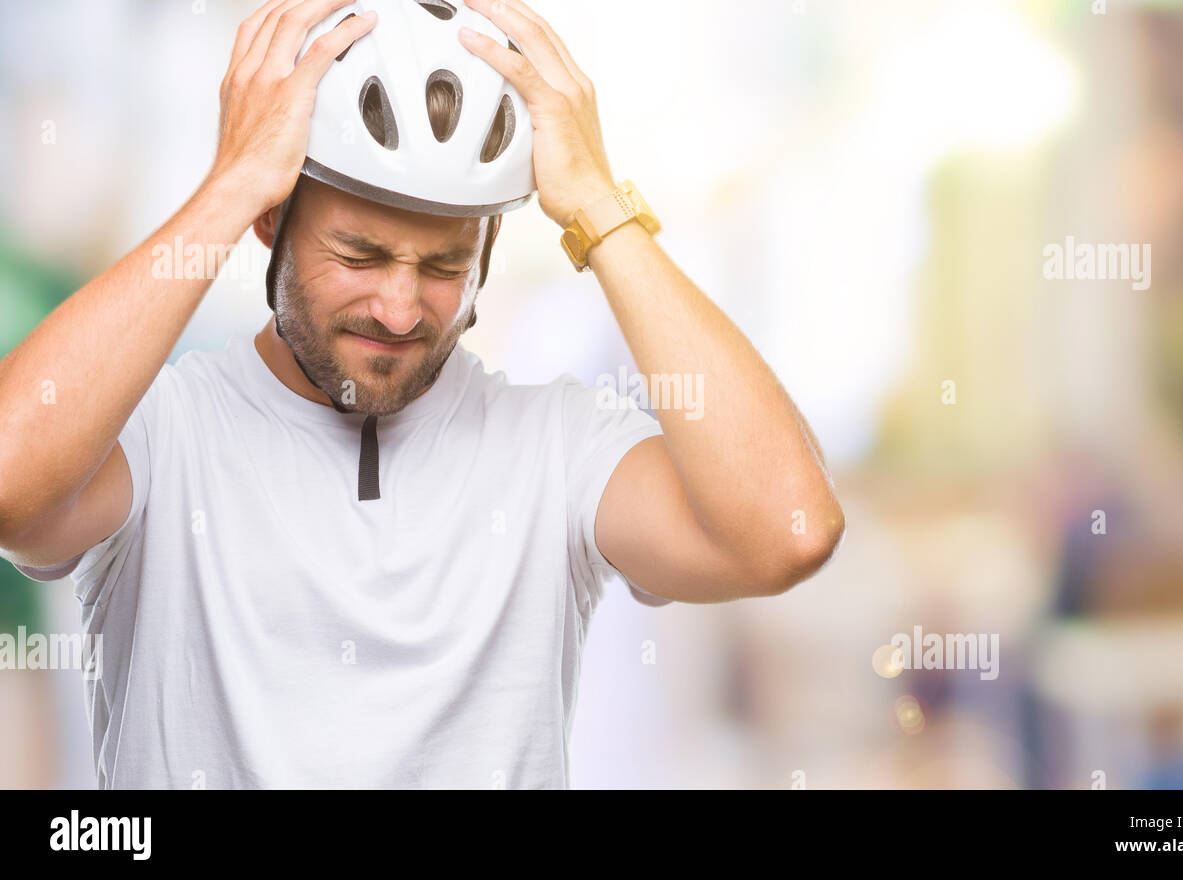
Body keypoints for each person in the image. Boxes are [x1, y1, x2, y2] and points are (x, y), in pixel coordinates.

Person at [0, 0, 844, 788]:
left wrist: (599, 207)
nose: (400, 309)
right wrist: (227, 185)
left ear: (489, 246)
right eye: (359, 255)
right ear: (271, 220)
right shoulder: (159, 434)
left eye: (444, 265)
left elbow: (789, 533)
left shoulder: (557, 448)